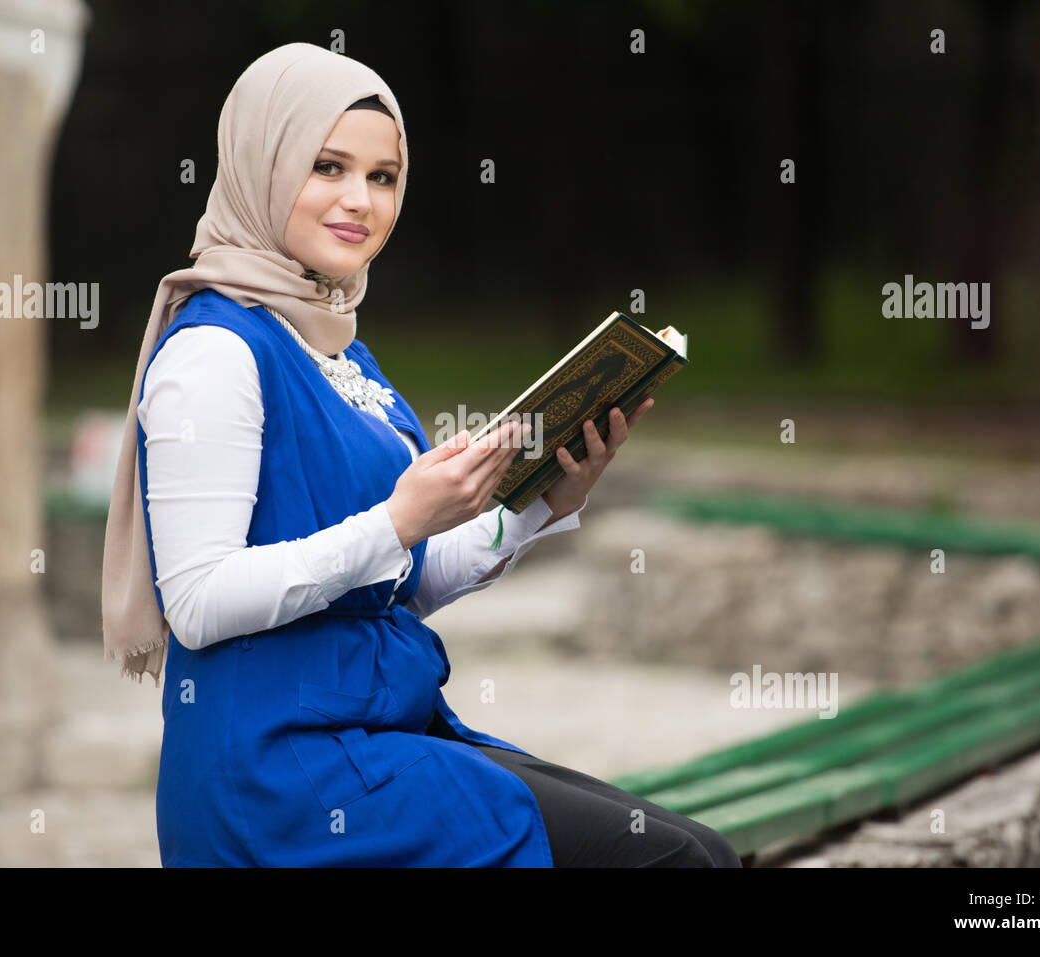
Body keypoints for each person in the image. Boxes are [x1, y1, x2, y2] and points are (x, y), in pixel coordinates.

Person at [101, 42, 741, 868]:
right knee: (675, 864)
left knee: (700, 849)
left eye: (383, 176)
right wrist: (397, 520)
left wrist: (540, 502)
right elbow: (195, 599)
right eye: (326, 166)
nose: (358, 201)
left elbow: (394, 579)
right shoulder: (216, 352)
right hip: (280, 776)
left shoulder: (339, 352)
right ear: (261, 162)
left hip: (378, 733)